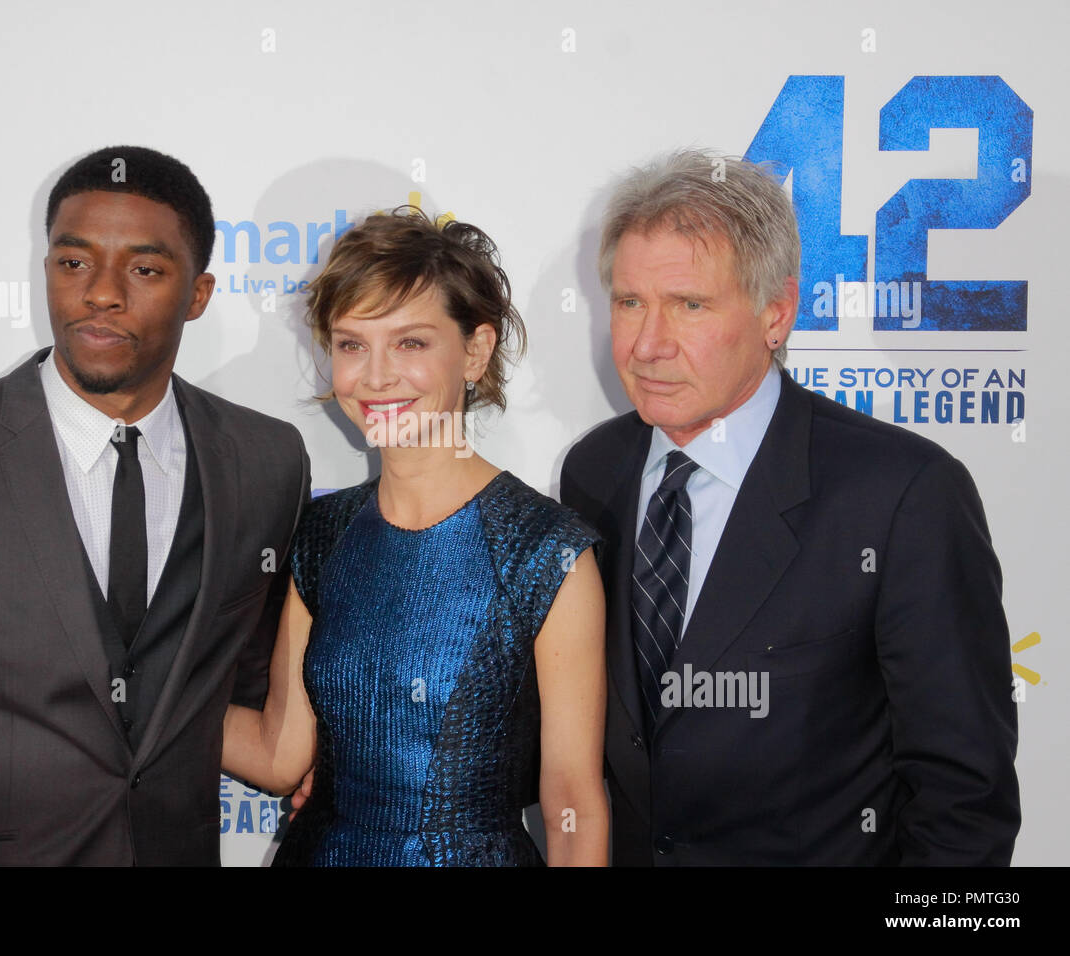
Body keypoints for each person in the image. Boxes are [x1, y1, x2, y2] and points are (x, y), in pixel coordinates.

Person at [0, 145, 309, 865]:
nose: (100, 292)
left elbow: (248, 686)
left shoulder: (266, 460)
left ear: (198, 294)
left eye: (144, 269)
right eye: (73, 263)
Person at [560, 149, 1020, 865]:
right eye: (629, 303)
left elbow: (964, 797)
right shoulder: (595, 470)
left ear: (776, 314)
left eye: (689, 305)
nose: (647, 345)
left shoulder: (903, 493)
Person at [221, 207, 608, 866]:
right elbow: (281, 754)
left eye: (411, 343)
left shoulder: (546, 550)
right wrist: (129, 695)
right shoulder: (322, 531)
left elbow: (572, 798)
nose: (375, 377)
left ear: (476, 351)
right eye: (351, 344)